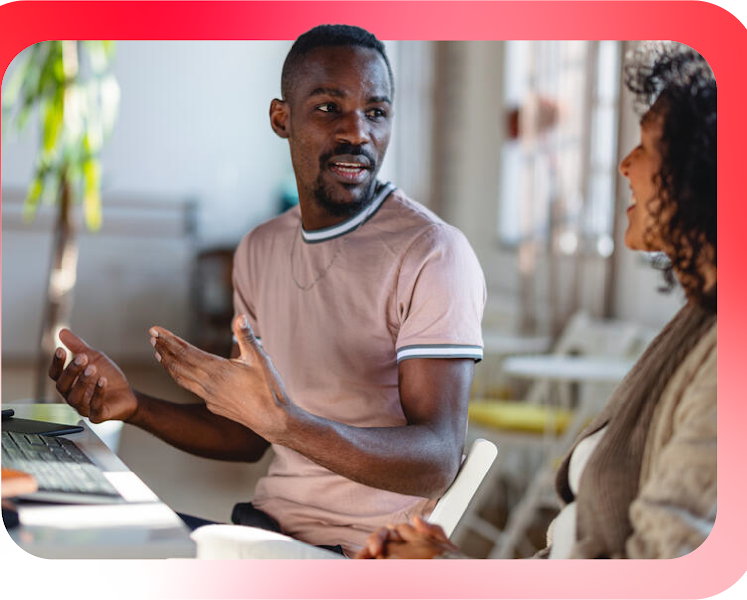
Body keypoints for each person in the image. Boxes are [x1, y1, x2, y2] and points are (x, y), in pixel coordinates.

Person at [48, 24, 486, 558]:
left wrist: (286, 422)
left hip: (354, 555)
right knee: (62, 528)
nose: (358, 133)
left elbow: (438, 459)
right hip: (264, 533)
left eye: (376, 111)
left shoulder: (433, 252)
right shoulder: (260, 248)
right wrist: (133, 405)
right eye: (329, 108)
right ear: (282, 118)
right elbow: (248, 436)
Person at [357, 41, 716, 560]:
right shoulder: (699, 320)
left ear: (699, 174)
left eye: (645, 146)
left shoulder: (729, 359)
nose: (624, 164)